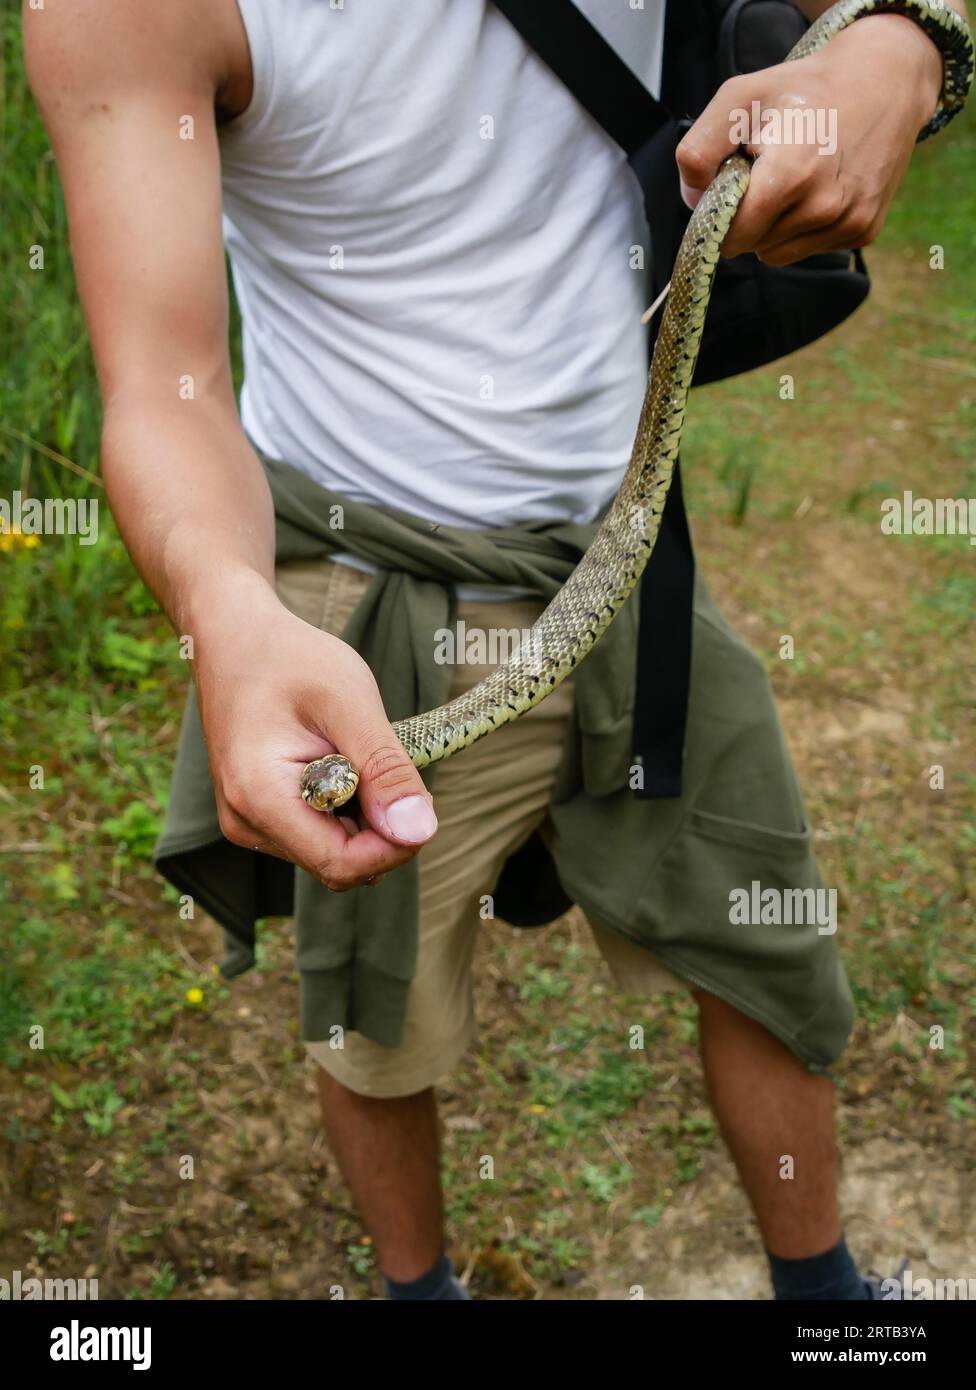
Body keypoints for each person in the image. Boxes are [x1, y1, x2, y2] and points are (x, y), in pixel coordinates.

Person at [25, 0, 968, 1301]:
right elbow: (159, 384)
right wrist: (224, 602)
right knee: (374, 1019)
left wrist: (905, 49)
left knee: (767, 955)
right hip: (358, 608)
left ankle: (833, 1309)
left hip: (635, 562)